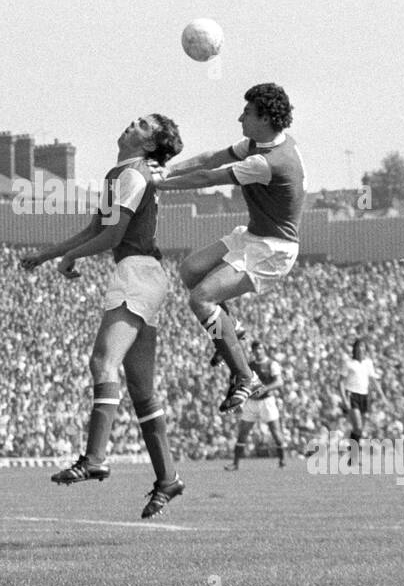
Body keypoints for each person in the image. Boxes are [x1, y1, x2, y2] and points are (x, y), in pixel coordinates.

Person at [19, 114, 187, 519]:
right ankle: (168, 479)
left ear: (149, 145)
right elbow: (96, 227)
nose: (134, 123)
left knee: (102, 362)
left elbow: (112, 237)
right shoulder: (123, 174)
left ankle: (95, 457)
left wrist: (73, 256)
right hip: (144, 274)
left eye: (144, 126)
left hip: (137, 272)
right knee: (142, 390)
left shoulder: (132, 176)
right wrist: (49, 255)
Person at [155, 83, 306, 414]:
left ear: (265, 118)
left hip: (273, 249)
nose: (240, 117)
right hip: (255, 235)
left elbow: (208, 178)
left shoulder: (269, 162)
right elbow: (212, 158)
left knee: (201, 299)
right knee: (190, 270)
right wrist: (170, 168)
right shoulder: (259, 144)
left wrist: (157, 184)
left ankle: (244, 376)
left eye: (247, 113)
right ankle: (232, 329)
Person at [225, 341, 288, 470]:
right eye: (255, 349)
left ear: (264, 349)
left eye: (260, 348)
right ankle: (235, 464)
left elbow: (279, 382)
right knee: (243, 432)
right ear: (253, 351)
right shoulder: (250, 366)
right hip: (251, 402)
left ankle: (282, 461)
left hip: (267, 402)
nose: (258, 351)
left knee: (275, 432)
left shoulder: (272, 364)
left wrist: (265, 389)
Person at [342, 338, 382, 466]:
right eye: (358, 348)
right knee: (358, 426)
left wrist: (382, 394)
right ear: (354, 350)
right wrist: (344, 398)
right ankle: (353, 457)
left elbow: (373, 380)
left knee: (359, 430)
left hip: (364, 396)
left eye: (363, 348)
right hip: (352, 394)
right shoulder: (349, 363)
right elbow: (340, 382)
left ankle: (352, 457)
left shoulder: (368, 363)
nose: (361, 350)